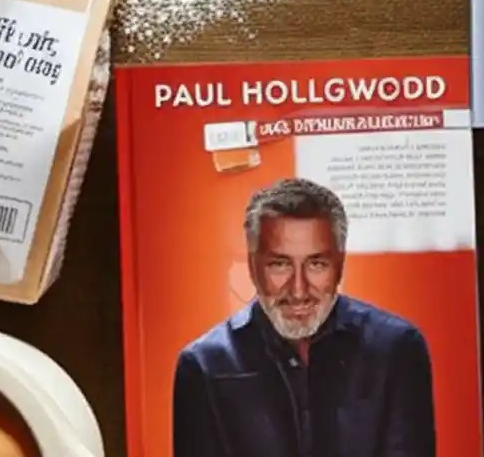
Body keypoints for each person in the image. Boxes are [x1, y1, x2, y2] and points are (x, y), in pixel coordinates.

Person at [172, 178, 436, 457]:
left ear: (340, 264)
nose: (298, 290)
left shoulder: (397, 350)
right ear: (252, 265)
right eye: (280, 264)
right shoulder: (203, 366)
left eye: (316, 264)